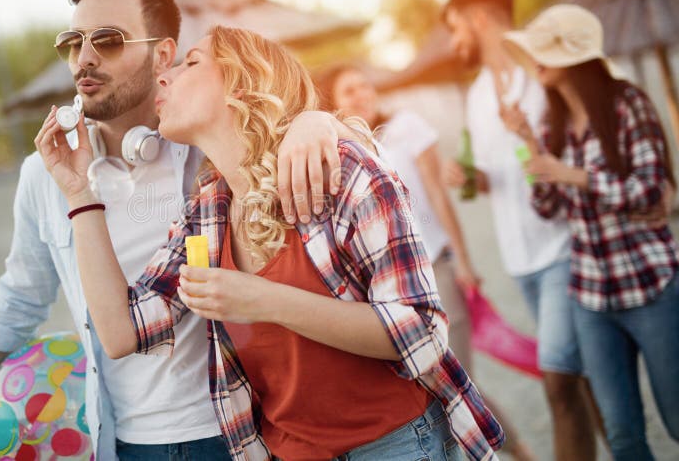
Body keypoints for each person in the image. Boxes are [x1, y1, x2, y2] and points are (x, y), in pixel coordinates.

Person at [34, 25, 505, 460]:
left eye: (190, 62)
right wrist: (79, 194)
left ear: (242, 84)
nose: (165, 77)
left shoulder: (342, 172)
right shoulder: (207, 215)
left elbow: (420, 331)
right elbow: (121, 332)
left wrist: (264, 299)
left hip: (396, 445)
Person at [0, 0, 356, 461]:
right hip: (124, 441)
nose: (84, 57)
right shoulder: (44, 175)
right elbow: (22, 293)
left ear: (163, 55)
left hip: (247, 427)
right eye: (72, 42)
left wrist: (317, 122)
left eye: (108, 39)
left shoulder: (209, 155)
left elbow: (273, 115)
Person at [316, 64, 535, 461]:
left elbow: (437, 192)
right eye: (350, 90)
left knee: (454, 378)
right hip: (387, 289)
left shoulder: (406, 126)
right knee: (439, 385)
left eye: (365, 84)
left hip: (436, 267)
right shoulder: (342, 152)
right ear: (335, 103)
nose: (362, 94)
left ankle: (518, 451)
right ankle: (519, 451)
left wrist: (463, 260)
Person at [501, 4, 679, 461]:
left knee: (677, 421)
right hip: (592, 297)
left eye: (544, 48)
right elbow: (548, 207)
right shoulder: (551, 123)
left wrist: (573, 175)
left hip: (651, 287)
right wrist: (530, 144)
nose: (533, 58)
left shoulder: (627, 103)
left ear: (572, 55)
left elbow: (649, 189)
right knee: (622, 436)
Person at [441, 0, 600, 461]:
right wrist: (471, 176)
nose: (454, 42)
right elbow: (495, 175)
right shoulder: (477, 95)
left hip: (565, 248)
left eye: (455, 28)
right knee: (581, 378)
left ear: (480, 18)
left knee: (556, 381)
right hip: (521, 261)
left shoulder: (543, 74)